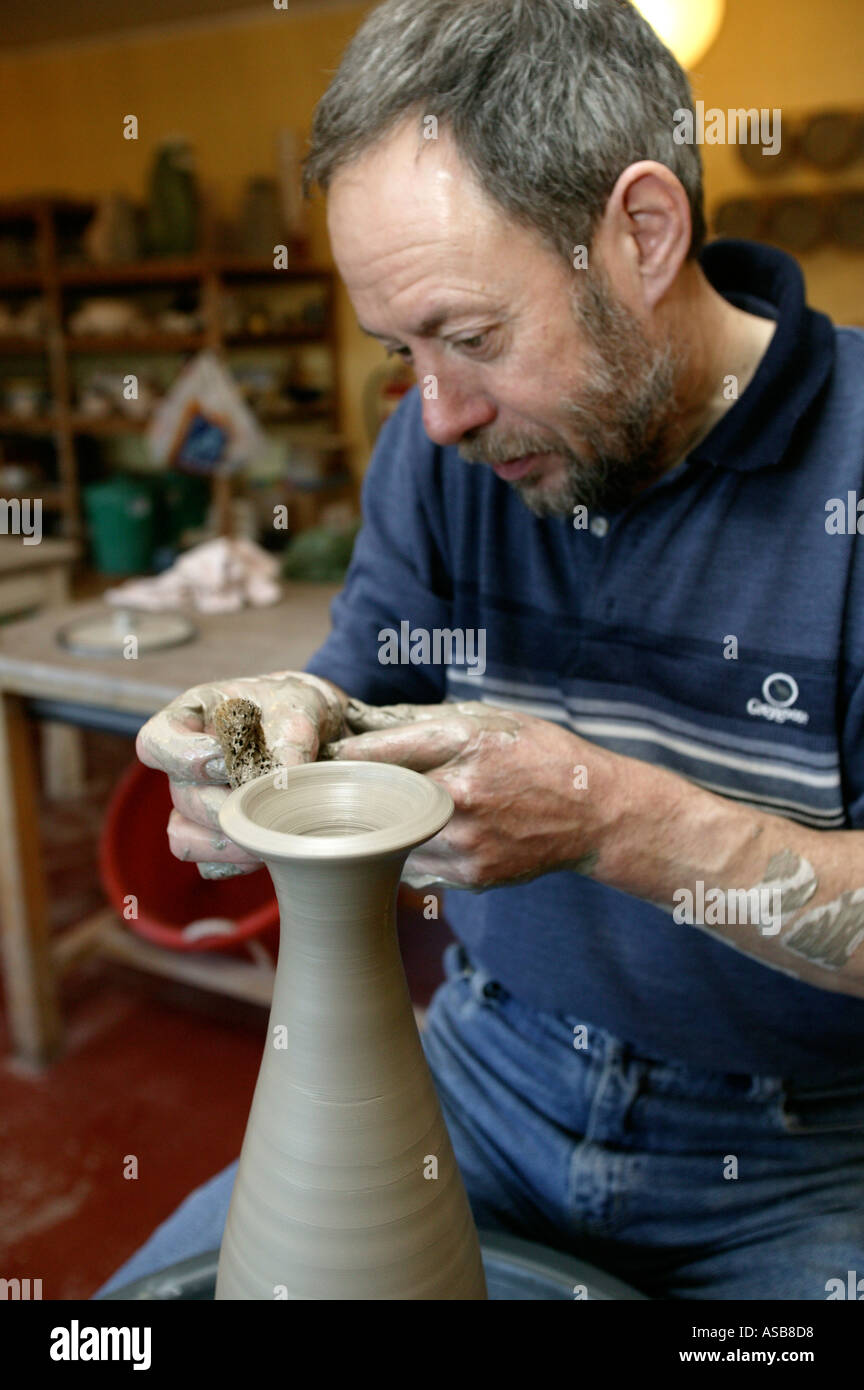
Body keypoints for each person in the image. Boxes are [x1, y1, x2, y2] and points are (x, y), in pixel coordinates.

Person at [96, 0, 864, 1300]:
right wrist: (272, 722)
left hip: (806, 1148)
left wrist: (617, 819)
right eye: (402, 351)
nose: (434, 413)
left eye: (470, 335)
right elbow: (360, 696)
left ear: (643, 233)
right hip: (482, 1070)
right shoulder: (443, 446)